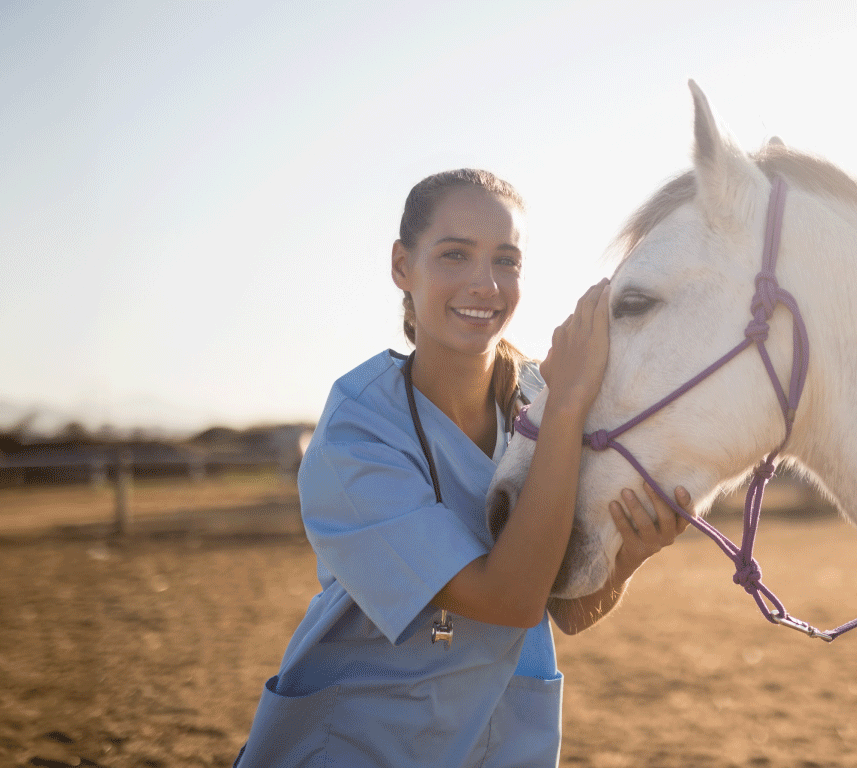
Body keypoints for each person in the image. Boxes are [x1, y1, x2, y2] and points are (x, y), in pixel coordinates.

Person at [233, 169, 691, 767]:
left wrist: (630, 555)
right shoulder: (357, 435)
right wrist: (569, 407)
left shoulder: (538, 400)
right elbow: (510, 600)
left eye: (507, 260)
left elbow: (566, 609)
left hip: (500, 748)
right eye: (455, 255)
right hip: (358, 745)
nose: (486, 284)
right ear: (402, 266)